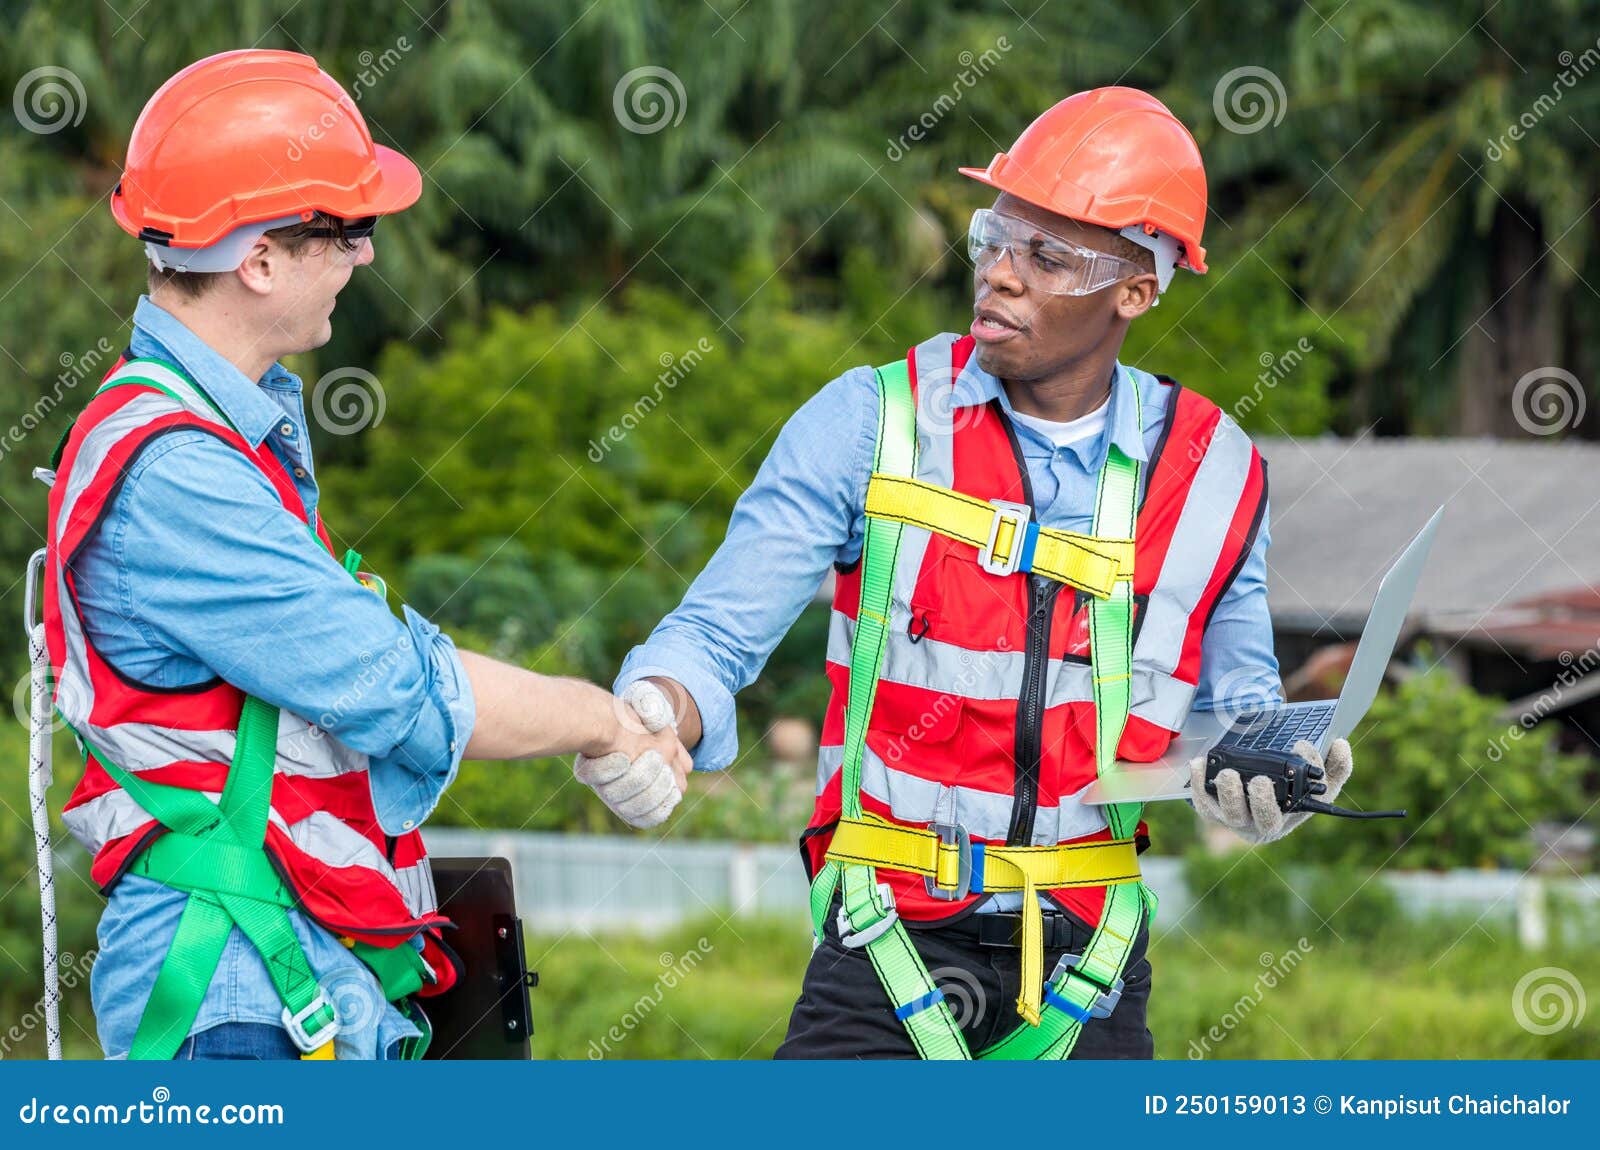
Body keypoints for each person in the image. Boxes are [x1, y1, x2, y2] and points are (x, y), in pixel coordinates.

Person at [611, 87, 1357, 1060]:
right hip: (884, 944)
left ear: (1137, 288)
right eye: (993, 238)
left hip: (1091, 965)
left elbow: (1238, 705)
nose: (1000, 275)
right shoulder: (871, 423)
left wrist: (1278, 767)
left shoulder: (1215, 471)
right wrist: (655, 712)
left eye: (1047, 257)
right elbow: (715, 634)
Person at [41, 49, 689, 1061]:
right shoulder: (179, 476)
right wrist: (600, 718)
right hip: (234, 988)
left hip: (275, 967)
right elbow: (392, 685)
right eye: (346, 230)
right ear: (256, 261)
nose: (368, 256)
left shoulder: (212, 437)